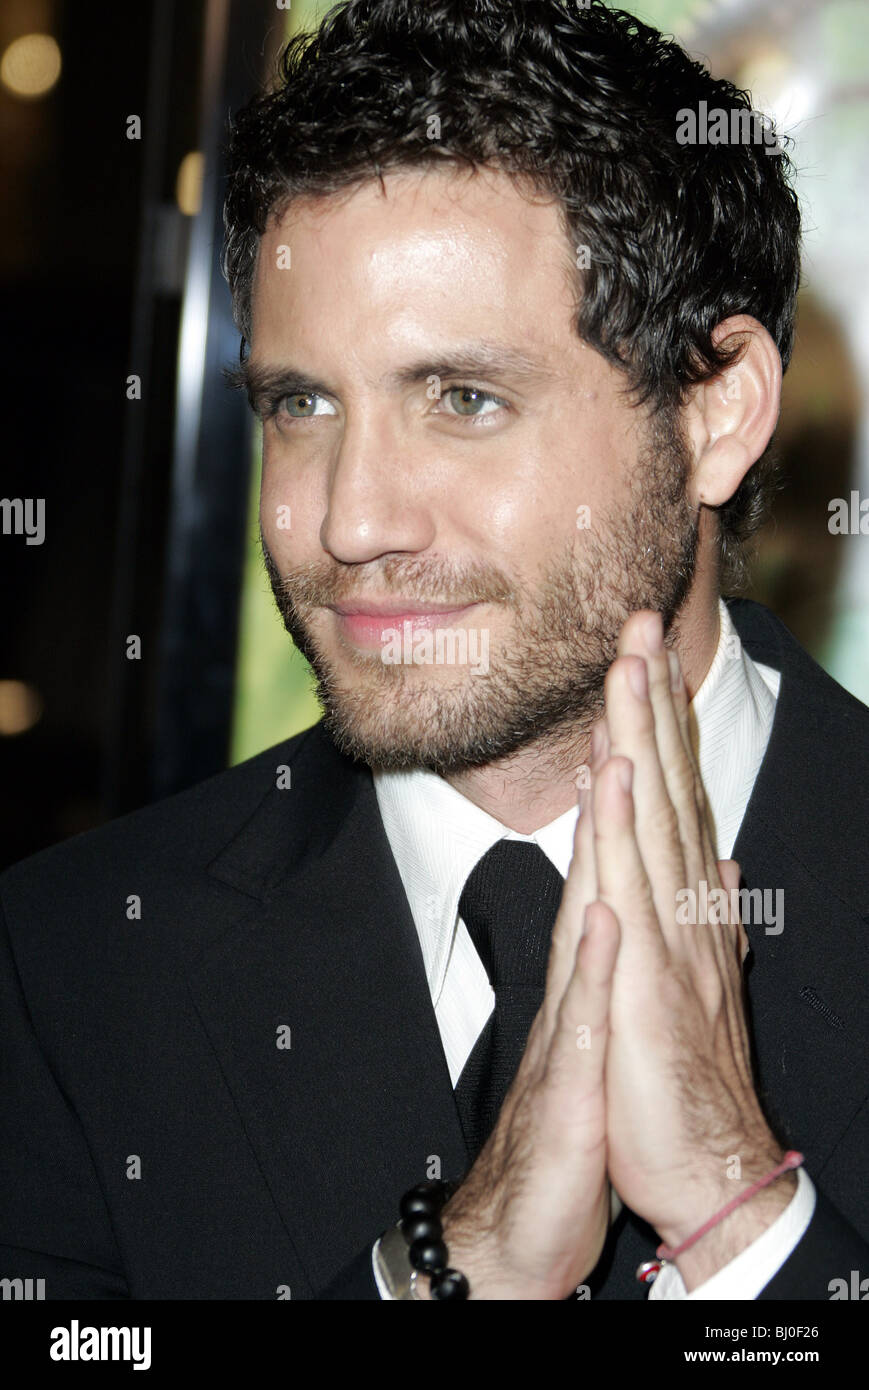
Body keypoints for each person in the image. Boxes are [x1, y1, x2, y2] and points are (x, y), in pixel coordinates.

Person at [1, 0, 866, 1301]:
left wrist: (744, 1221)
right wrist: (452, 1268)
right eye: (301, 404)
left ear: (715, 409)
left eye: (461, 399)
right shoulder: (71, 968)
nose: (348, 521)